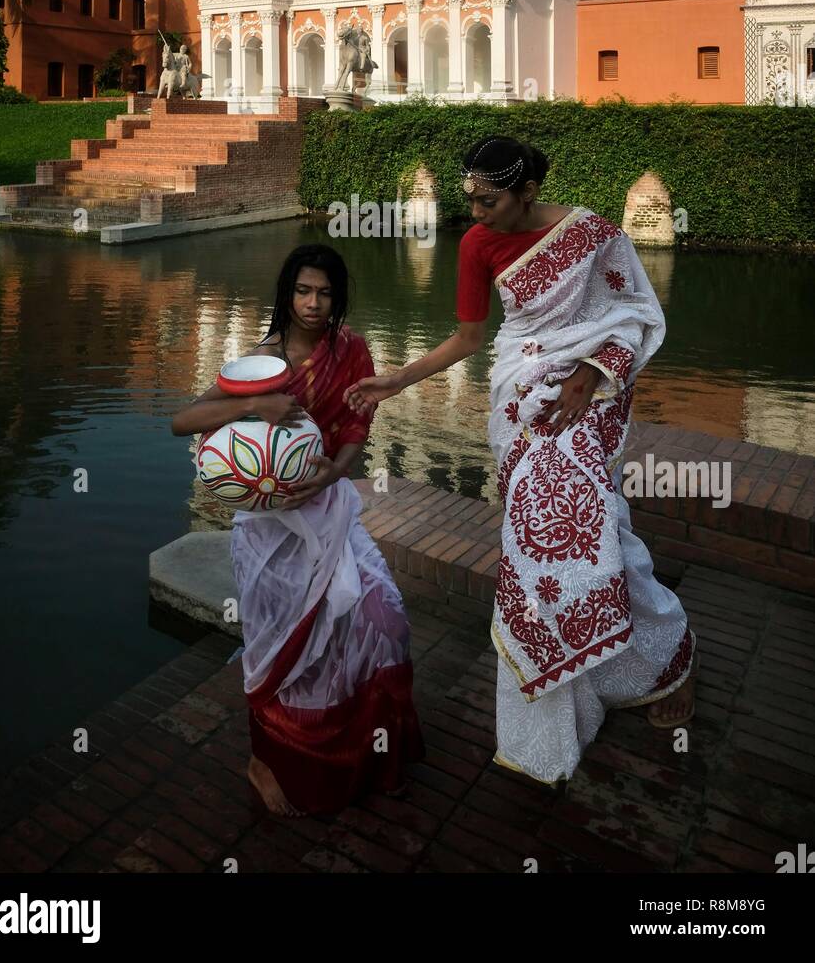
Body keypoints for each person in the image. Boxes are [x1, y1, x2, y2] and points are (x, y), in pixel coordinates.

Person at [344, 137, 697, 786]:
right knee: (581, 531)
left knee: (576, 516)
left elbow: (634, 312)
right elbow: (470, 338)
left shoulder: (590, 231)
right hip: (521, 389)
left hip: (594, 384)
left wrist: (593, 371)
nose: (477, 211)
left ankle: (662, 659)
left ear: (527, 190)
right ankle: (592, 680)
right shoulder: (478, 246)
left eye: (490, 199)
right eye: (469, 198)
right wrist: (398, 378)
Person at [171, 244, 424, 816]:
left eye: (325, 292)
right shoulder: (261, 363)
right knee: (284, 651)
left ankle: (372, 754)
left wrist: (339, 467)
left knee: (381, 620)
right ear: (286, 294)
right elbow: (181, 420)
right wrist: (251, 408)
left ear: (338, 298)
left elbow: (360, 417)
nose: (313, 304)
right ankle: (267, 760)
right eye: (303, 291)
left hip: (330, 509)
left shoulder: (351, 347)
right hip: (270, 530)